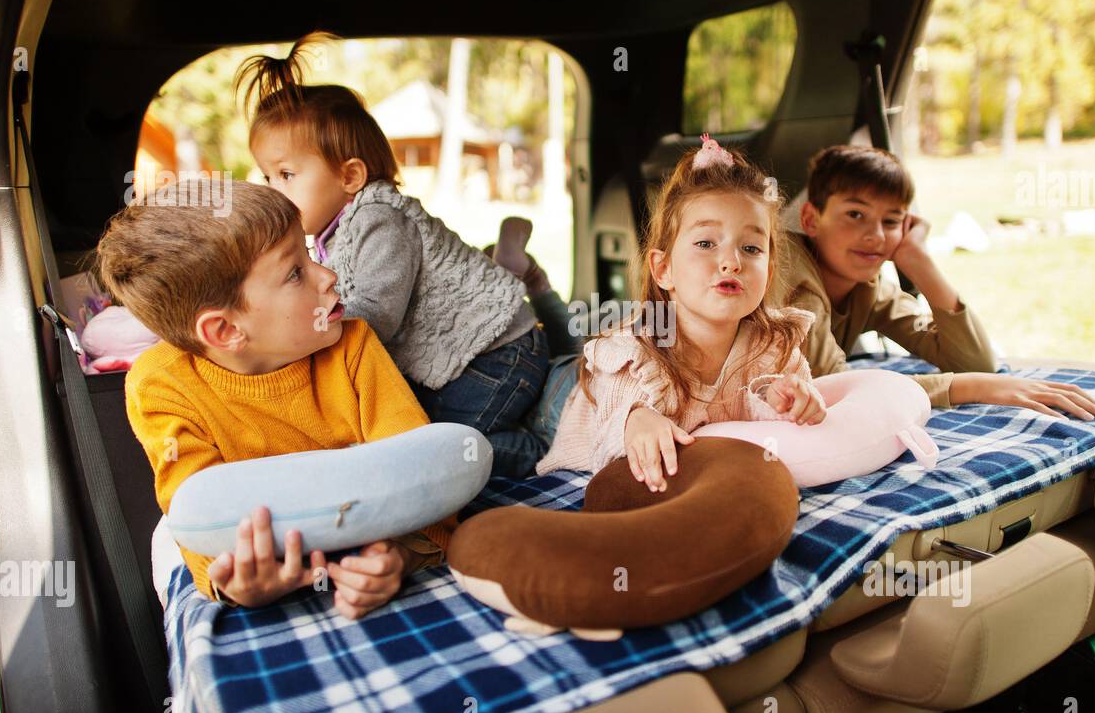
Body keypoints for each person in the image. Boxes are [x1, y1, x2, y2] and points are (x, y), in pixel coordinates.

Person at [95, 181, 457, 618]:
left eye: (310, 253)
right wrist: (234, 582)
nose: (329, 275)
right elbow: (196, 512)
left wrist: (401, 555)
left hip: (364, 530)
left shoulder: (353, 344)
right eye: (295, 272)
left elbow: (423, 479)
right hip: (256, 548)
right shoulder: (159, 383)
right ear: (226, 331)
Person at [236, 33, 553, 477]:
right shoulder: (328, 232)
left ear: (350, 175)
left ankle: (538, 450)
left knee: (433, 450)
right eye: (268, 176)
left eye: (286, 174)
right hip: (469, 359)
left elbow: (374, 316)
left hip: (498, 350)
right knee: (403, 430)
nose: (274, 190)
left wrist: (304, 341)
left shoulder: (380, 220)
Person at [536, 135, 826, 490]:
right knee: (529, 391)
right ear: (663, 269)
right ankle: (538, 291)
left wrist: (792, 402)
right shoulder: (636, 355)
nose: (732, 262)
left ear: (768, 273)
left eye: (751, 248)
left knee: (568, 338)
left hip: (584, 371)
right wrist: (637, 421)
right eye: (706, 243)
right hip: (567, 401)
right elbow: (615, 423)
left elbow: (779, 412)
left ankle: (543, 299)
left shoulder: (773, 348)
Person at [774, 144, 1095, 419]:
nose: (875, 236)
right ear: (811, 220)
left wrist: (919, 263)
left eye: (891, 221)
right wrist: (974, 388)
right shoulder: (792, 276)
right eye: (855, 215)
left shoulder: (866, 287)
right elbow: (840, 387)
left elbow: (975, 362)